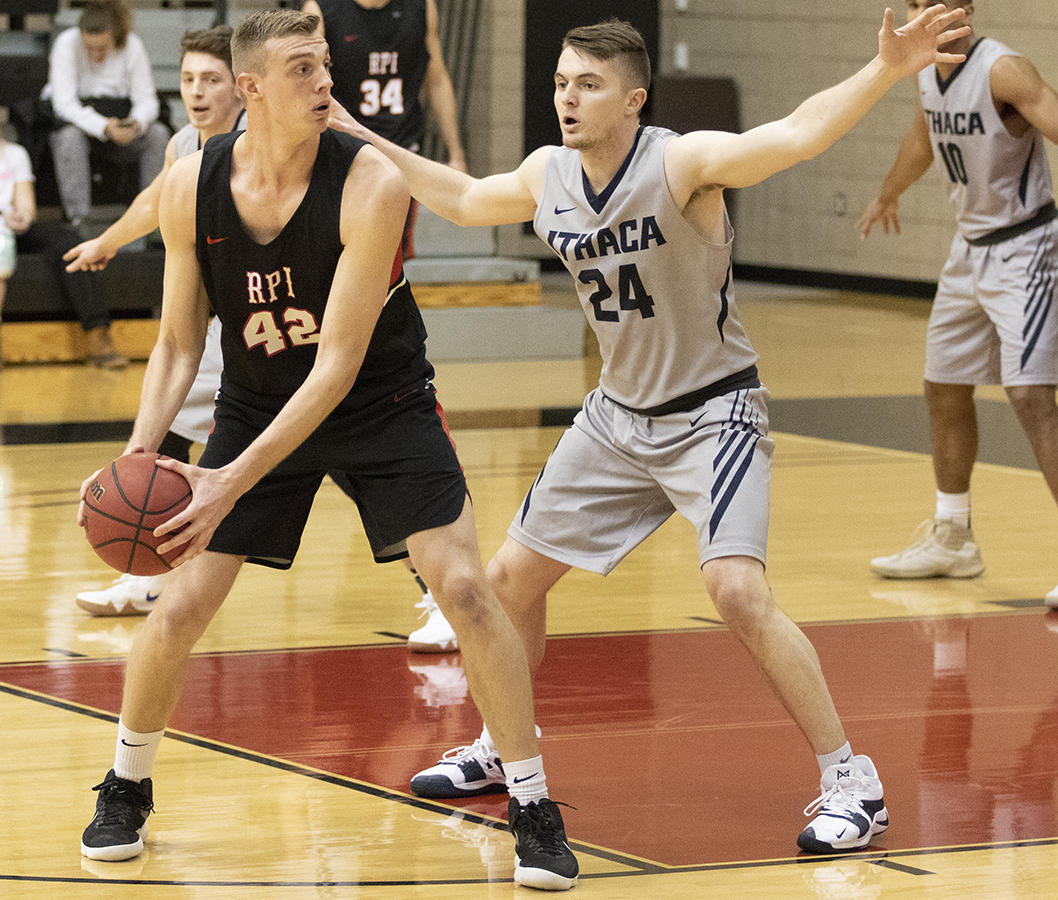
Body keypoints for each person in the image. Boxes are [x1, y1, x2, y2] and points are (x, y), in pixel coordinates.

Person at [330, 9, 969, 853]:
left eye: (588, 85)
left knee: (737, 592)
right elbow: (462, 196)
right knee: (507, 586)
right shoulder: (548, 171)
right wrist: (357, 133)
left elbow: (800, 134)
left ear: (632, 99)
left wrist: (885, 69)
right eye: (561, 82)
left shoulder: (681, 161)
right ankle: (500, 746)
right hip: (615, 419)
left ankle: (852, 779)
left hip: (714, 413)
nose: (567, 98)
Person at [76, 10, 576, 890]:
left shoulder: (371, 180)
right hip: (257, 397)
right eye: (303, 68)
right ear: (252, 89)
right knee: (182, 604)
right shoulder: (191, 187)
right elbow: (178, 344)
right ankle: (126, 782)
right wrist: (144, 456)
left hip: (380, 401)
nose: (325, 81)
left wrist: (230, 479)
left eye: (324, 64)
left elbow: (338, 367)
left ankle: (532, 800)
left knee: (464, 586)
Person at [64, 25, 459, 653]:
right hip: (251, 351)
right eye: (187, 79)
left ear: (240, 87)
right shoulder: (187, 163)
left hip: (340, 360)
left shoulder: (337, 160)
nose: (196, 92)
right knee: (164, 451)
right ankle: (149, 555)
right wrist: (131, 463)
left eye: (209, 80)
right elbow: (158, 241)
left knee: (360, 469)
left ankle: (439, 586)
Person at [856, 0, 1058, 610]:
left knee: (1030, 399)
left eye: (934, 3)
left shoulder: (1005, 71)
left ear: (966, 10)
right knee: (944, 384)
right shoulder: (925, 67)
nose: (922, 13)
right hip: (967, 250)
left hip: (1026, 248)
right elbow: (923, 138)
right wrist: (888, 192)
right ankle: (953, 537)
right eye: (913, 4)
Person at [0, 77, 125, 372]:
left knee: (69, 241)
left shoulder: (14, 153)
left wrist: (20, 217)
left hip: (8, 224)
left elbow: (26, 205)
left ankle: (99, 337)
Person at [302, 0, 467, 259]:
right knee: (339, 251)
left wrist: (456, 154)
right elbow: (307, 81)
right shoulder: (321, 9)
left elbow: (436, 79)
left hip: (400, 151)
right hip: (344, 149)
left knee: (392, 256)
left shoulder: (421, 7)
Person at [44, 0, 170, 230]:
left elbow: (147, 100)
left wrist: (135, 125)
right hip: (82, 127)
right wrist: (103, 127)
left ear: (115, 37)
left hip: (122, 126)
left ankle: (153, 219)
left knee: (158, 134)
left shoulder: (132, 45)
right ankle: (78, 219)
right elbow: (64, 104)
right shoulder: (66, 44)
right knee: (68, 138)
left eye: (101, 48)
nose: (94, 54)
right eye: (88, 48)